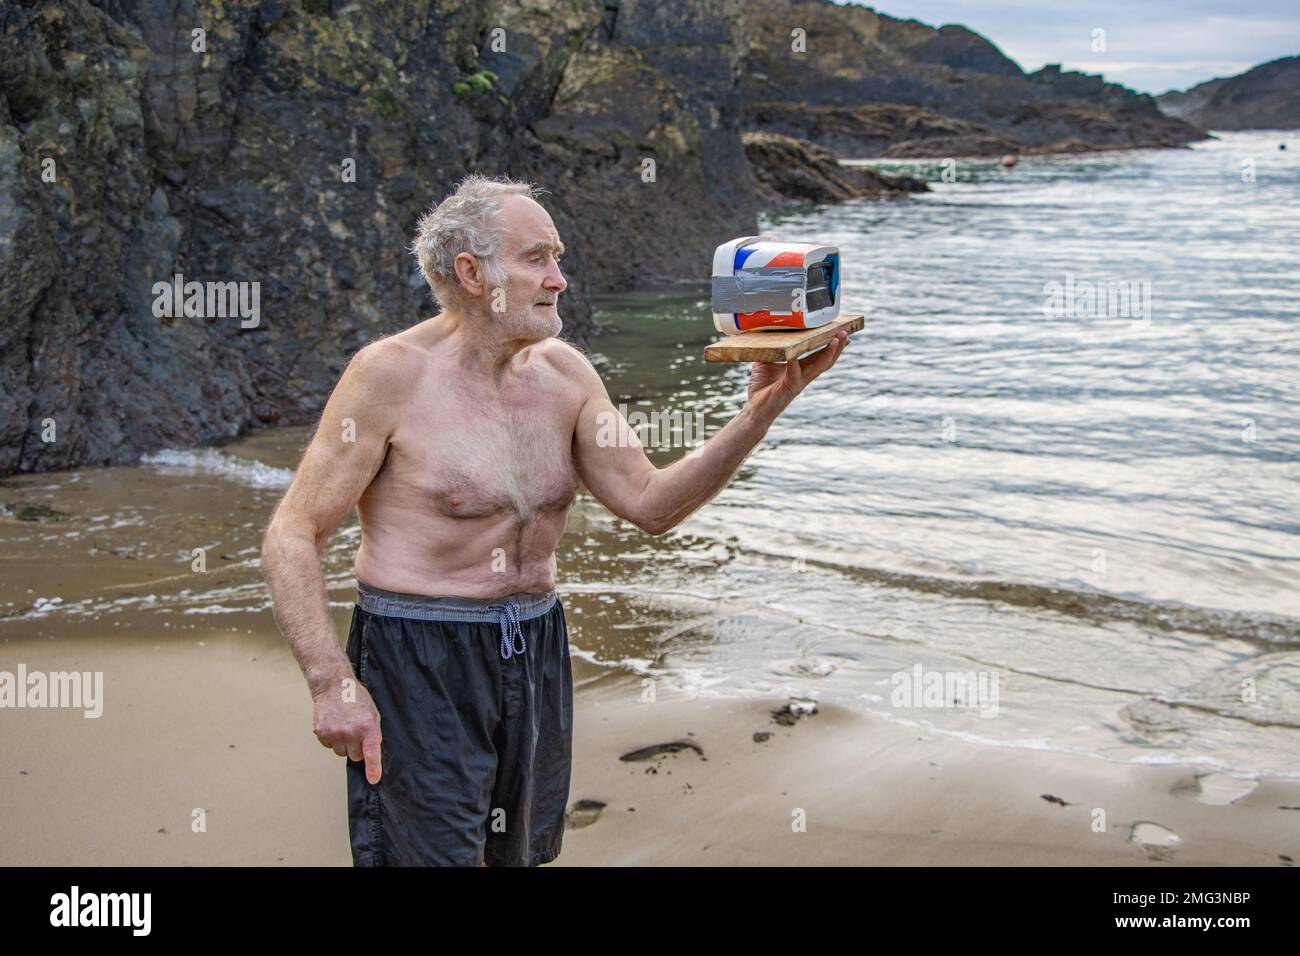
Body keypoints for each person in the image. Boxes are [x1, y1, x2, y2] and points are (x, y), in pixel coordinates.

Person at [260, 173, 851, 866]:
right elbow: (293, 534)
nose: (559, 279)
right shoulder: (389, 376)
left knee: (521, 855)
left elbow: (651, 505)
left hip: (534, 647)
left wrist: (762, 410)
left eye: (558, 258)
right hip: (419, 653)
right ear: (473, 273)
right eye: (537, 258)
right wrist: (333, 684)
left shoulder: (566, 375)